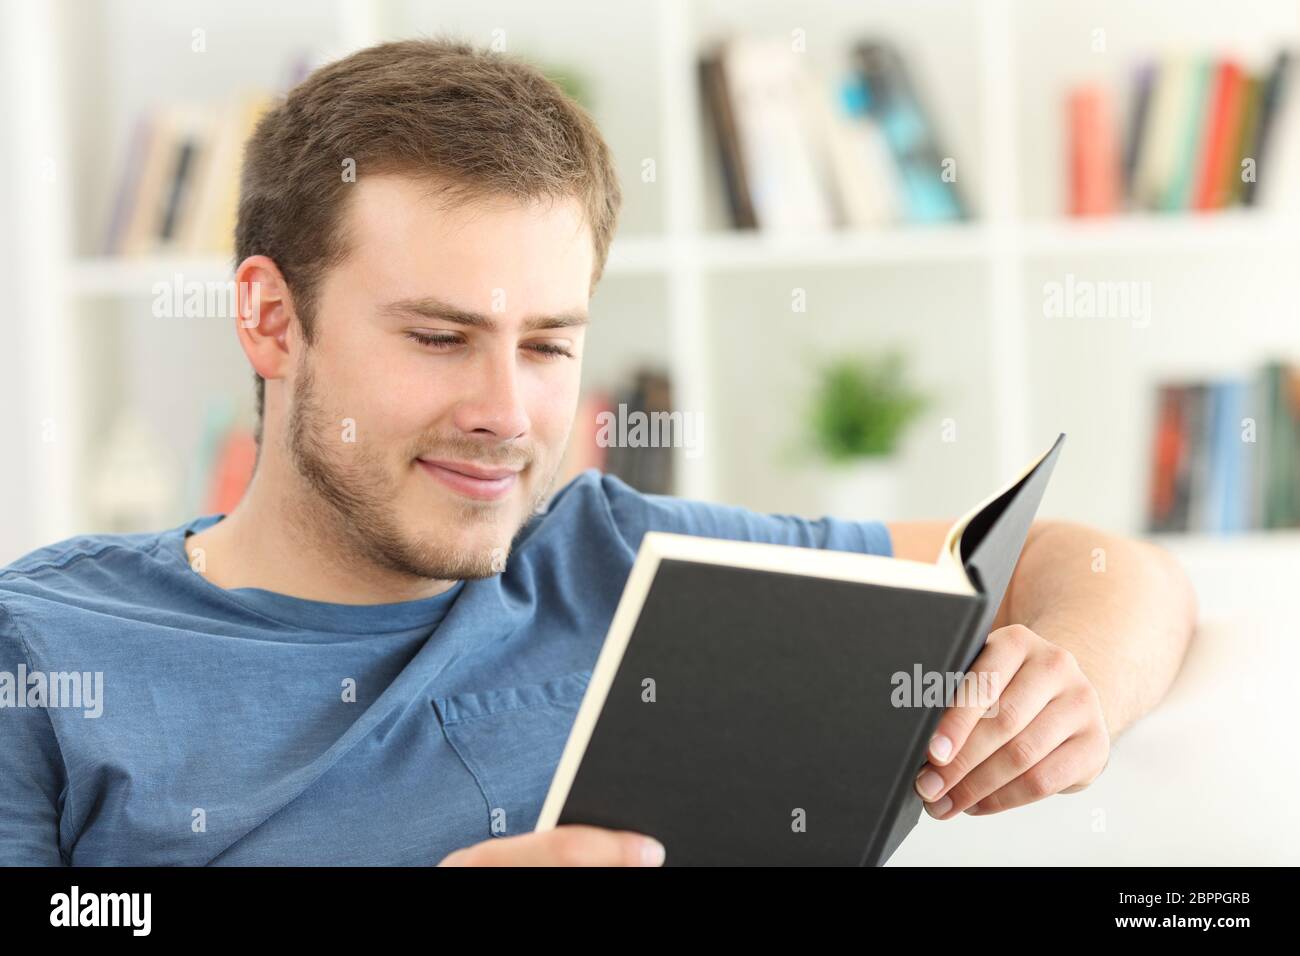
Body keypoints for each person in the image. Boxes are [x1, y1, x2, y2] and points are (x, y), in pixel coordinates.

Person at [0, 39, 1195, 866]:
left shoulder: (616, 555)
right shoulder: (52, 652)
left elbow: (1104, 568)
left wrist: (1068, 675)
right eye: (438, 335)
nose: (506, 413)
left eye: (547, 345)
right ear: (271, 319)